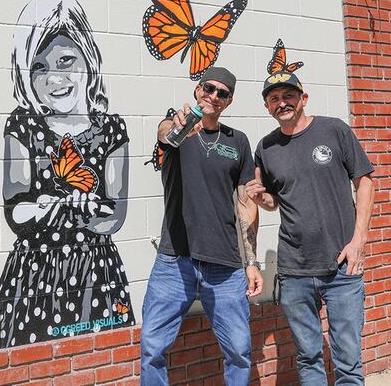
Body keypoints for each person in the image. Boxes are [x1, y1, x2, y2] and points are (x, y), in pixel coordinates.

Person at [0, 0, 135, 351]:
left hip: (95, 271)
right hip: (35, 272)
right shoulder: (22, 125)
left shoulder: (111, 128)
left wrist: (86, 211)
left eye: (66, 60)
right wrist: (50, 207)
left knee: (100, 360)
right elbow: (16, 210)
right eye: (39, 67)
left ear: (88, 60)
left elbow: (115, 213)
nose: (54, 78)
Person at [247, 71, 374, 385]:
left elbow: (365, 182)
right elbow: (275, 202)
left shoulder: (334, 130)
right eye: (274, 98)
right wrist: (262, 197)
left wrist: (358, 240)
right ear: (267, 107)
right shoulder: (266, 147)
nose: (282, 103)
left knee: (348, 360)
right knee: (308, 357)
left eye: (288, 95)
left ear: (302, 98)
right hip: (294, 271)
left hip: (342, 267)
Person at [141, 66, 263, 386]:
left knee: (239, 350)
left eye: (222, 93)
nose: (213, 96)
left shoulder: (238, 141)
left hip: (224, 263)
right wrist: (179, 123)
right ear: (198, 90)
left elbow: (247, 203)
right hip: (175, 259)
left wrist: (251, 261)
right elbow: (165, 133)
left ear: (229, 101)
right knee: (152, 347)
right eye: (209, 88)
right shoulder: (178, 128)